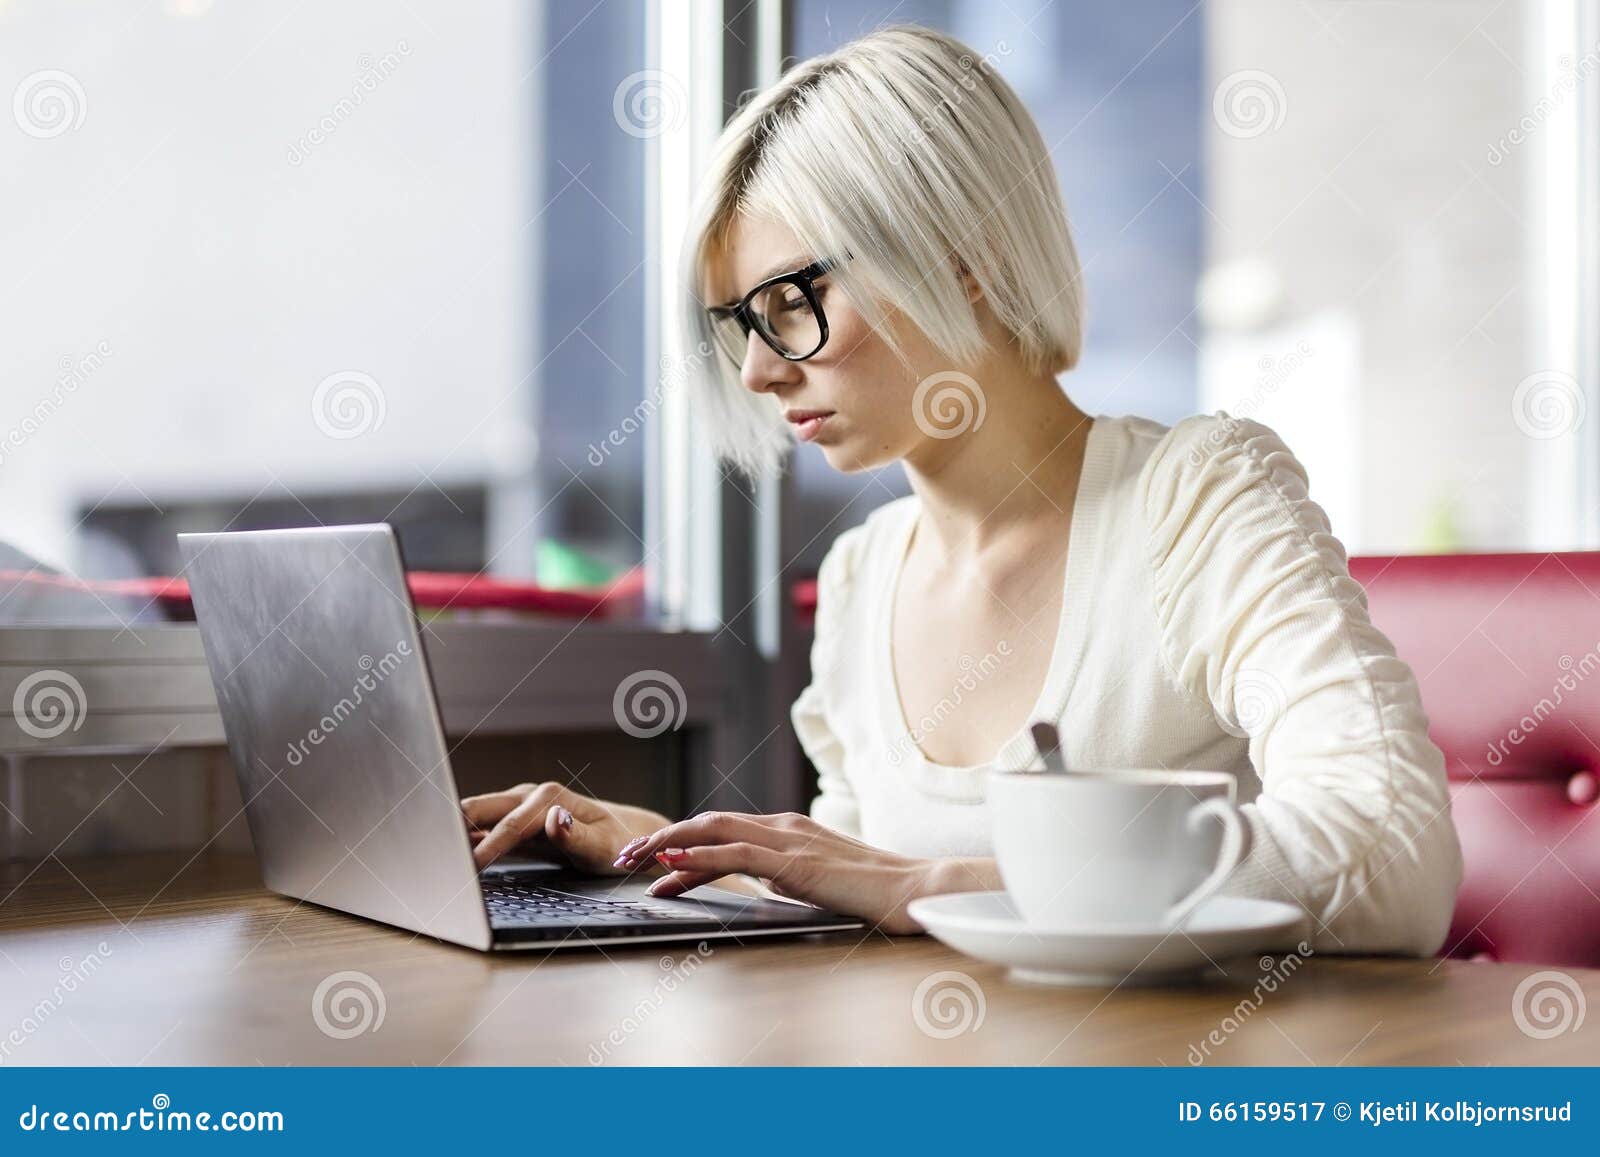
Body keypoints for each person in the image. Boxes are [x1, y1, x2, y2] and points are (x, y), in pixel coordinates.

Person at [464, 24, 1462, 954]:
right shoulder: (866, 575)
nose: (760, 374)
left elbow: (1390, 854)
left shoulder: (1197, 499)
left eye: (792, 304)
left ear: (965, 256)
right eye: (738, 326)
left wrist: (937, 882)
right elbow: (862, 897)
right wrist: (665, 847)